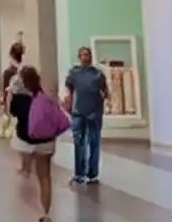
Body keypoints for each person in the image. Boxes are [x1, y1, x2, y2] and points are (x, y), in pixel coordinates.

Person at [10, 66, 64, 222]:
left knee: (20, 147)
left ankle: (25, 166)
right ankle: (46, 213)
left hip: (26, 140)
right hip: (45, 141)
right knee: (45, 177)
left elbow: (12, 113)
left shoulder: (19, 98)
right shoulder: (45, 98)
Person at [64, 46, 108, 184]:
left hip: (94, 112)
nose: (85, 57)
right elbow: (69, 91)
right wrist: (68, 106)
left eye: (87, 54)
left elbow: (105, 91)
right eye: (82, 55)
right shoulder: (73, 73)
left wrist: (101, 102)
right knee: (79, 142)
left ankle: (92, 174)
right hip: (78, 112)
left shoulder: (98, 74)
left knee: (94, 142)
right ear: (79, 57)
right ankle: (79, 173)